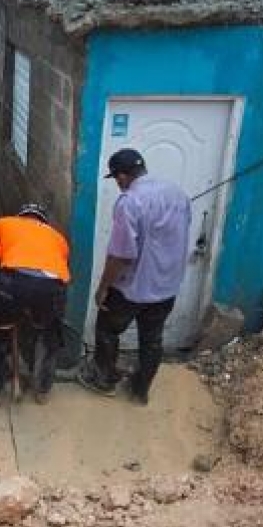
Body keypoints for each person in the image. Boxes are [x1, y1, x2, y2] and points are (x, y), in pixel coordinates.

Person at [78, 148, 192, 406]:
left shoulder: (130, 201)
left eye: (116, 179)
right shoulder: (177, 193)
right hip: (167, 287)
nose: (118, 184)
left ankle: (103, 380)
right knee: (152, 340)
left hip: (132, 289)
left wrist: (103, 287)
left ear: (121, 176)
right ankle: (140, 391)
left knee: (107, 329)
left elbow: (122, 254)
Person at [0, 203, 70, 406]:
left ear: (22, 216)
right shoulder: (58, 237)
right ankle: (42, 389)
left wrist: (3, 255)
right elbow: (61, 262)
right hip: (51, 286)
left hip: (12, 281)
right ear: (42, 220)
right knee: (48, 336)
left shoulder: (9, 222)